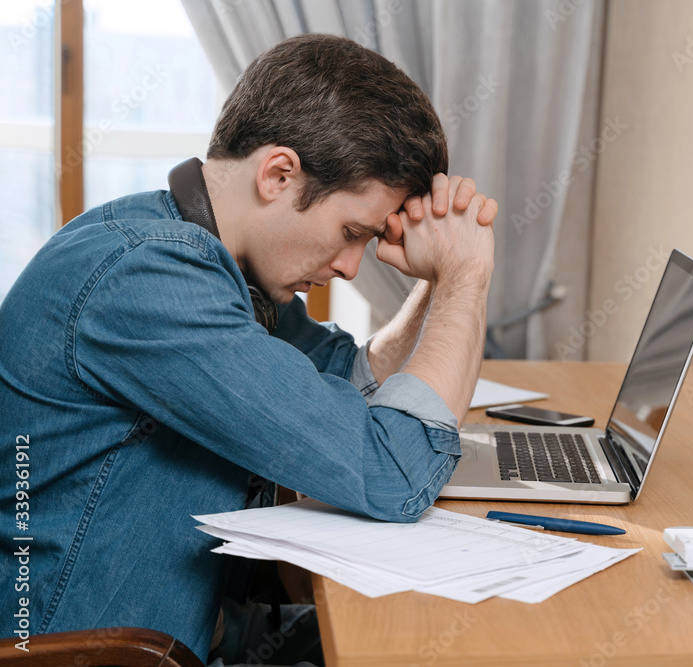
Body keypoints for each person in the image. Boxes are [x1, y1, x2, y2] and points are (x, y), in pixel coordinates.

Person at [0, 33, 497, 664]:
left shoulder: (205, 262)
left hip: (193, 628)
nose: (351, 267)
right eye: (351, 232)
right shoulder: (148, 279)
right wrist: (466, 280)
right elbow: (392, 472)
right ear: (279, 174)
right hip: (92, 650)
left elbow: (352, 377)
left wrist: (435, 282)